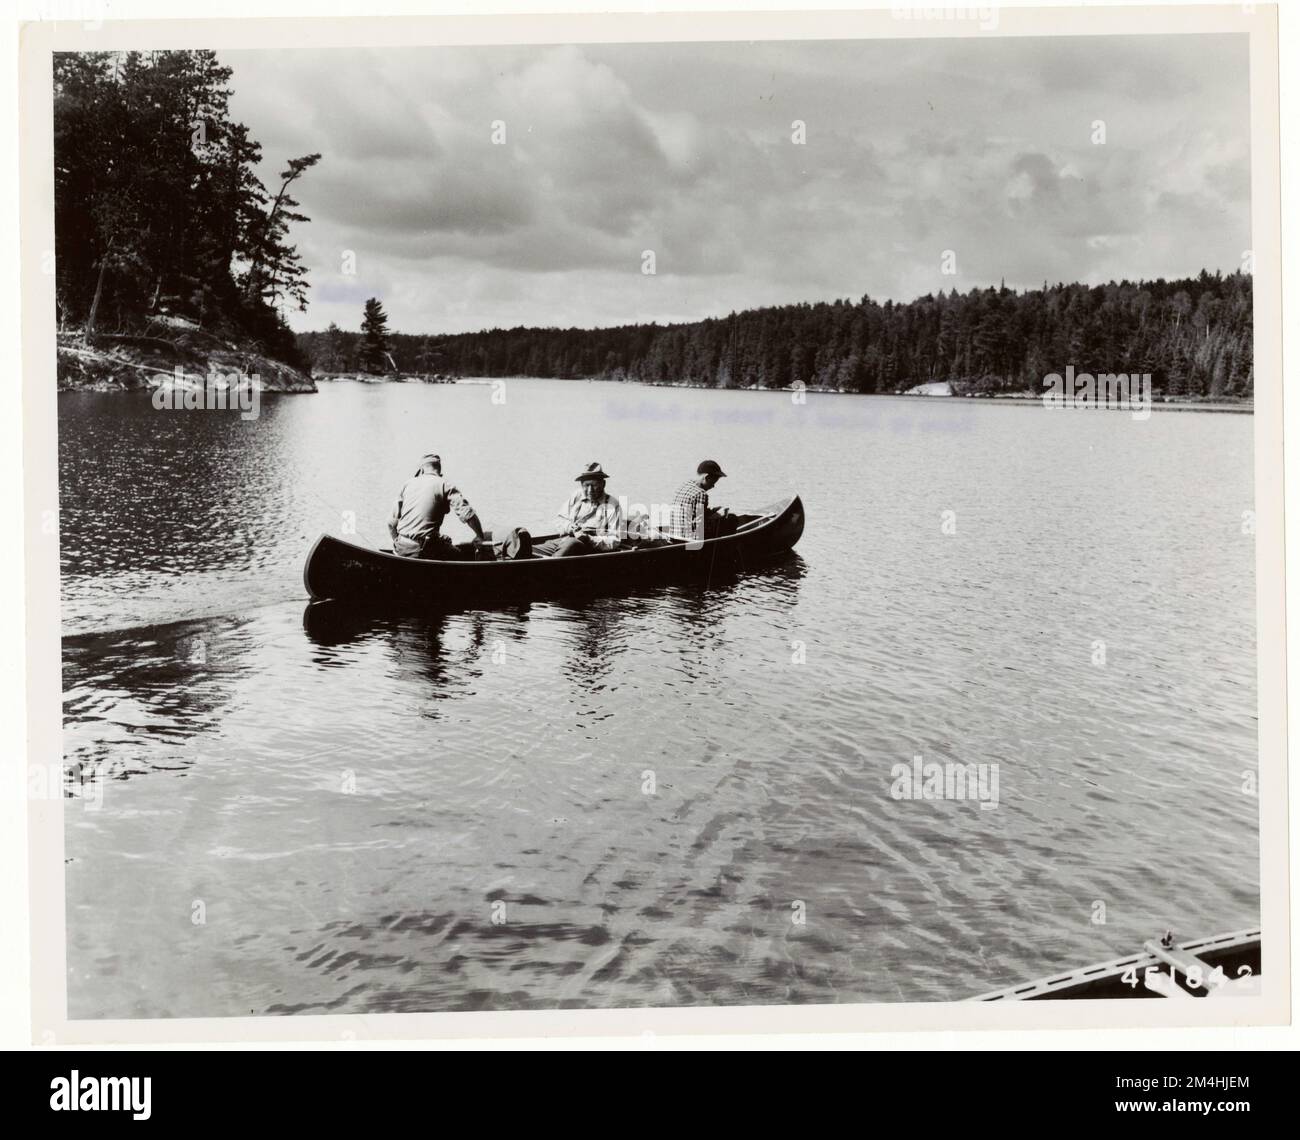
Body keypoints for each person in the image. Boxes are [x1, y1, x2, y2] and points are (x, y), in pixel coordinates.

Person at [388, 453, 485, 558]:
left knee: (443, 542)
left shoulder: (407, 484)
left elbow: (390, 524)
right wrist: (480, 536)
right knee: (463, 556)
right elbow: (468, 514)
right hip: (425, 550)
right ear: (439, 471)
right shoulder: (444, 484)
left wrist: (399, 544)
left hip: (401, 547)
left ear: (421, 470)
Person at [535, 462, 624, 556]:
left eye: (594, 485)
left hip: (587, 547)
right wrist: (570, 528)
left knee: (572, 544)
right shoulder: (577, 496)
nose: (590, 490)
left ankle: (550, 564)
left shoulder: (613, 505)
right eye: (586, 485)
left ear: (603, 484)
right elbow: (559, 520)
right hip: (564, 541)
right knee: (530, 550)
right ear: (581, 485)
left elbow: (614, 541)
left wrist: (588, 539)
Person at [669, 459, 735, 541]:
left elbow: (691, 514)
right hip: (689, 540)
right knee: (732, 519)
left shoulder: (684, 485)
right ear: (706, 478)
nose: (713, 486)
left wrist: (711, 511)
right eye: (713, 483)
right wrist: (718, 515)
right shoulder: (701, 494)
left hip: (675, 536)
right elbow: (698, 526)